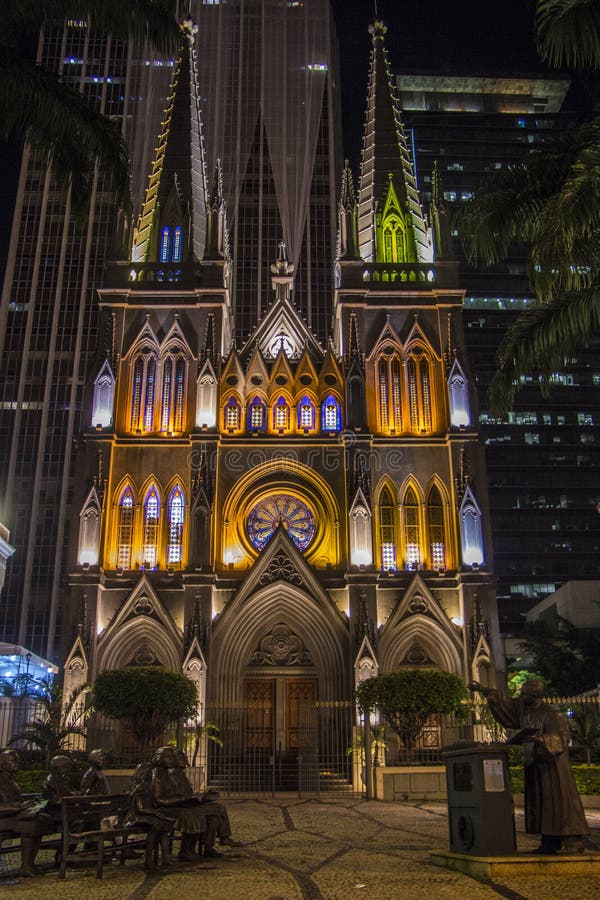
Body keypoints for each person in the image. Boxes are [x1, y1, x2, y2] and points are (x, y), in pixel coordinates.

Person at [470, 678, 590, 853]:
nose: (520, 696)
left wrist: (540, 739)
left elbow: (562, 738)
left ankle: (573, 841)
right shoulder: (525, 710)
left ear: (534, 696)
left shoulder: (551, 714)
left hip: (553, 768)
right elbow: (508, 707)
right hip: (535, 763)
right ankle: (549, 841)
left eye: (524, 694)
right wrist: (486, 691)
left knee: (560, 803)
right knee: (542, 805)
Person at [170, 748, 241, 857]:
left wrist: (203, 795)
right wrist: (197, 798)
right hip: (184, 807)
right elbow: (179, 796)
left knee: (214, 819)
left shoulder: (180, 775)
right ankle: (224, 837)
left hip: (189, 803)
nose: (185, 760)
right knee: (220, 808)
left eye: (184, 757)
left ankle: (208, 848)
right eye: (181, 758)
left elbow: (188, 794)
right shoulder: (173, 776)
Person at [0, 749, 52, 876]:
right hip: (3, 818)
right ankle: (25, 867)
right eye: (14, 760)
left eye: (18, 760)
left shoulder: (10, 780)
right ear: (3, 763)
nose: (17, 763)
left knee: (42, 819)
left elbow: (14, 800)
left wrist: (28, 804)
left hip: (13, 815)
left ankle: (30, 864)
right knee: (30, 824)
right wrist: (20, 806)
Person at [150, 746, 206, 862]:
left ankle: (190, 849)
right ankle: (185, 851)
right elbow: (158, 799)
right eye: (168, 757)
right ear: (160, 758)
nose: (172, 760)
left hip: (174, 805)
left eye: (172, 757)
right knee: (190, 815)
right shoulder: (157, 774)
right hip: (163, 809)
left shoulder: (169, 773)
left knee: (196, 813)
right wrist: (182, 799)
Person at [127, 762, 173, 869]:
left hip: (147, 815)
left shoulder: (149, 787)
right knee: (155, 826)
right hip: (136, 817)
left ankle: (165, 858)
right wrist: (155, 813)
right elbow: (141, 809)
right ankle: (148, 860)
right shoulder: (139, 788)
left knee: (163, 826)